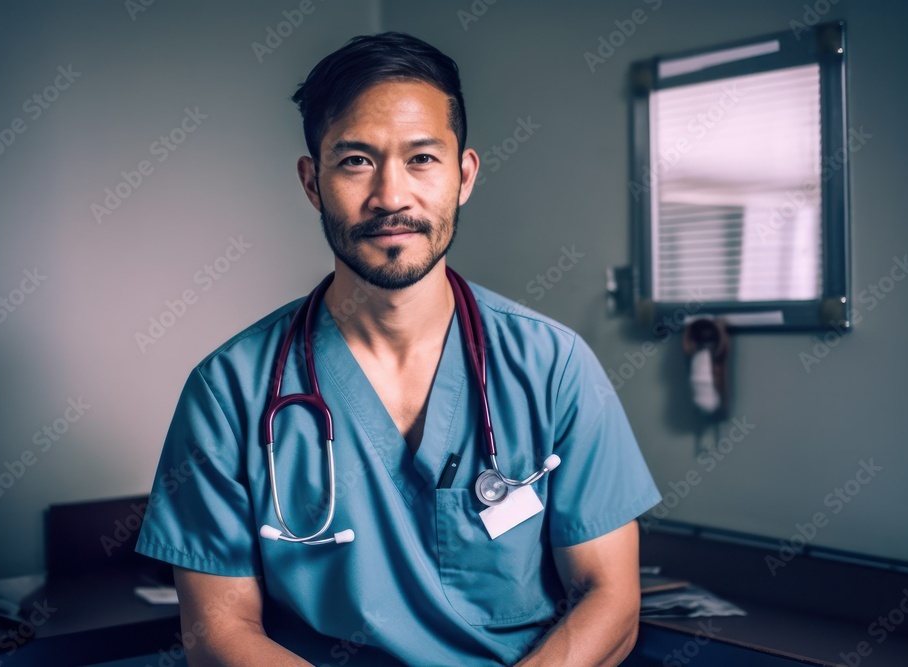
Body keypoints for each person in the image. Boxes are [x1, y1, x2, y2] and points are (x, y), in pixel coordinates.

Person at [135, 32, 661, 666]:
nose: (390, 195)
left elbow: (609, 599)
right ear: (312, 182)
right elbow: (218, 633)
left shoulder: (554, 367)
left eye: (421, 159)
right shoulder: (229, 393)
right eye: (355, 160)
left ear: (463, 176)